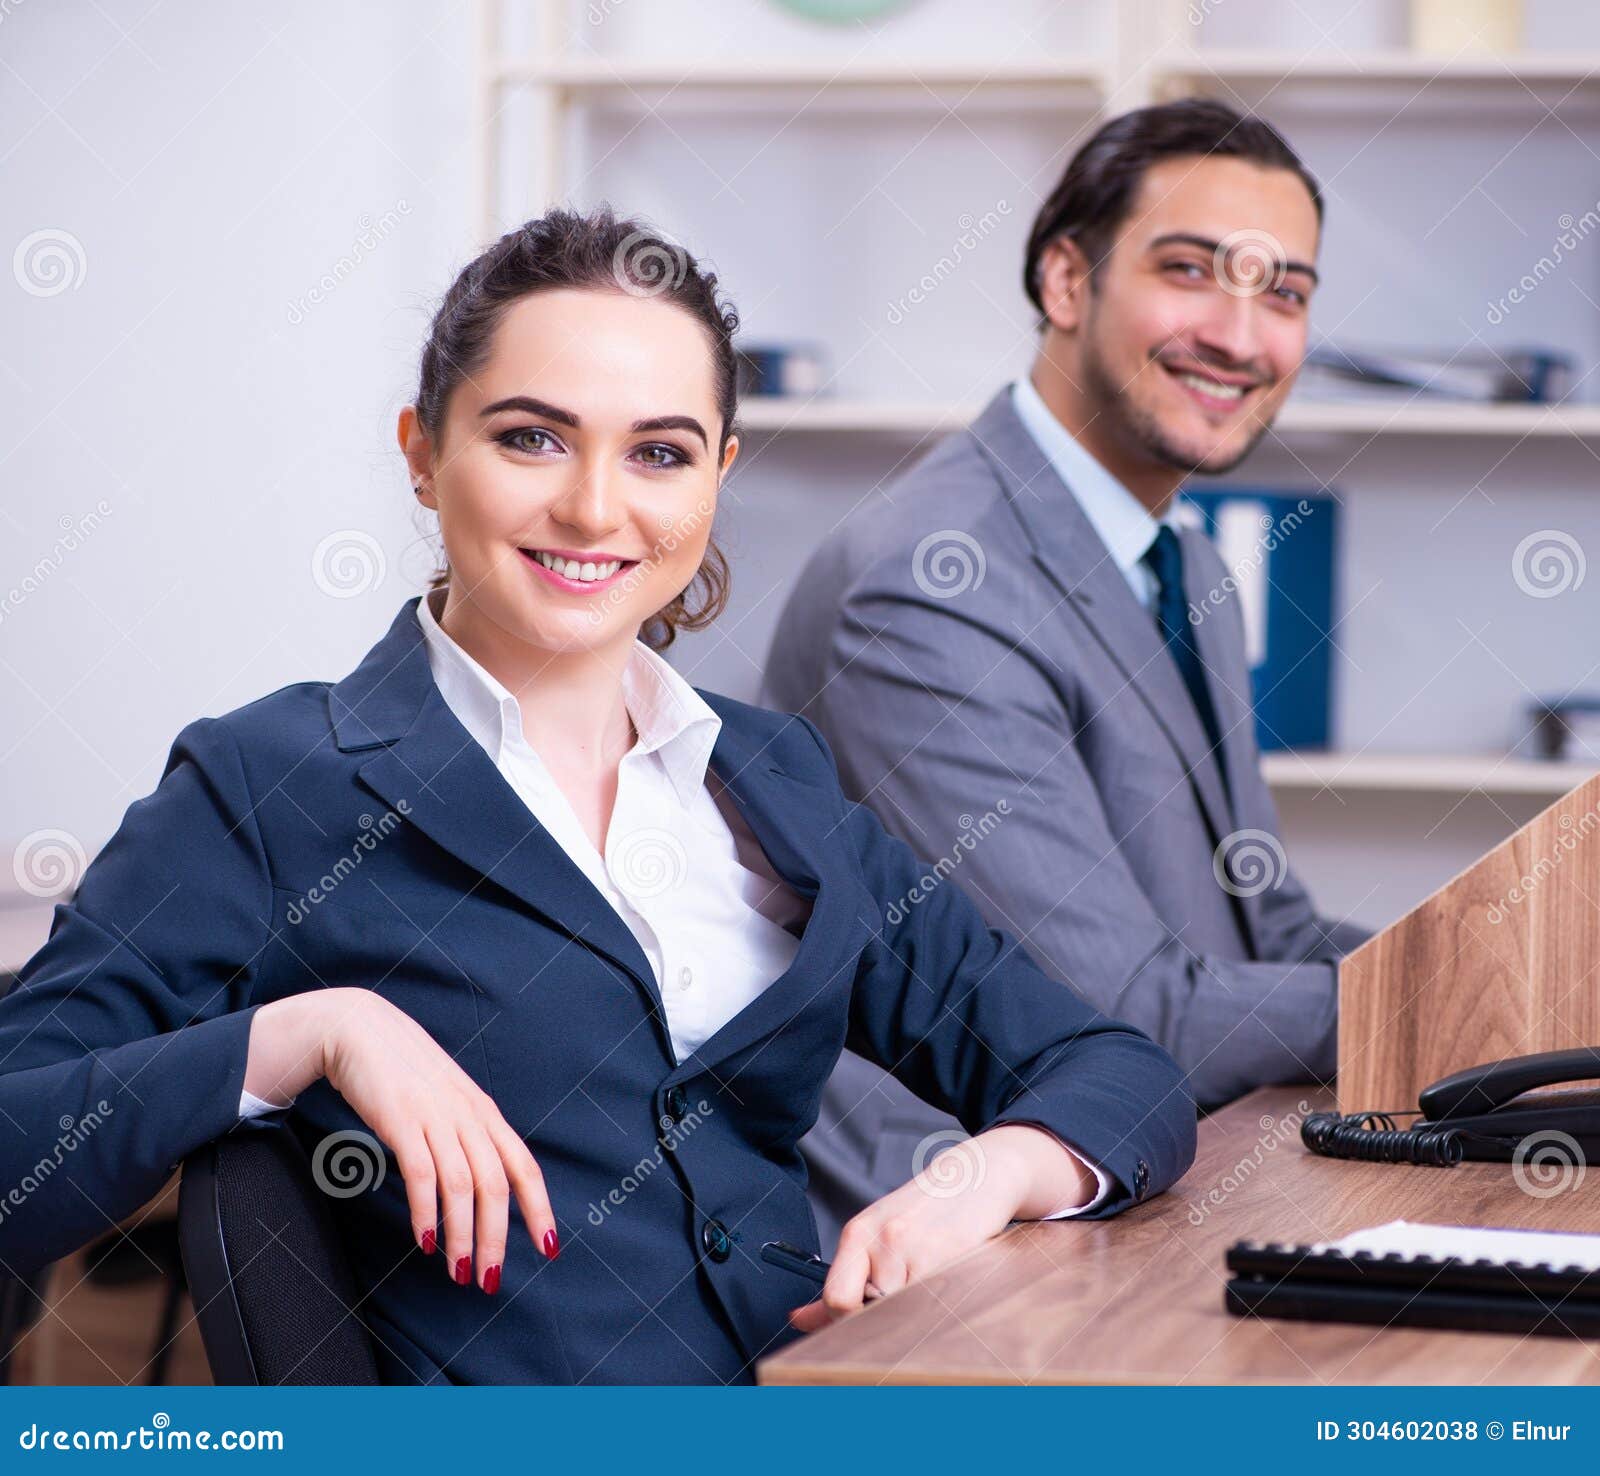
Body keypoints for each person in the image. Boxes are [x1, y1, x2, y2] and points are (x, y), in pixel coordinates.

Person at [0, 208, 1195, 1386]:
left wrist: (976, 1180)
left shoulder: (770, 780)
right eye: (530, 438)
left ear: (717, 477)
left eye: (659, 453)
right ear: (422, 451)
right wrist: (312, 1033)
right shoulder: (271, 781)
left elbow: (1111, 1068)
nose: (592, 507)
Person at [762, 99, 1368, 1252]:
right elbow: (1126, 1014)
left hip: (1152, 1173)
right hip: (959, 1233)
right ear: (1065, 281)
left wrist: (1508, 962)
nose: (1241, 336)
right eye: (1189, 271)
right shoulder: (929, 583)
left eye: (1283, 291)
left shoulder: (1186, 564)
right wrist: (1479, 1006)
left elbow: (1264, 918)